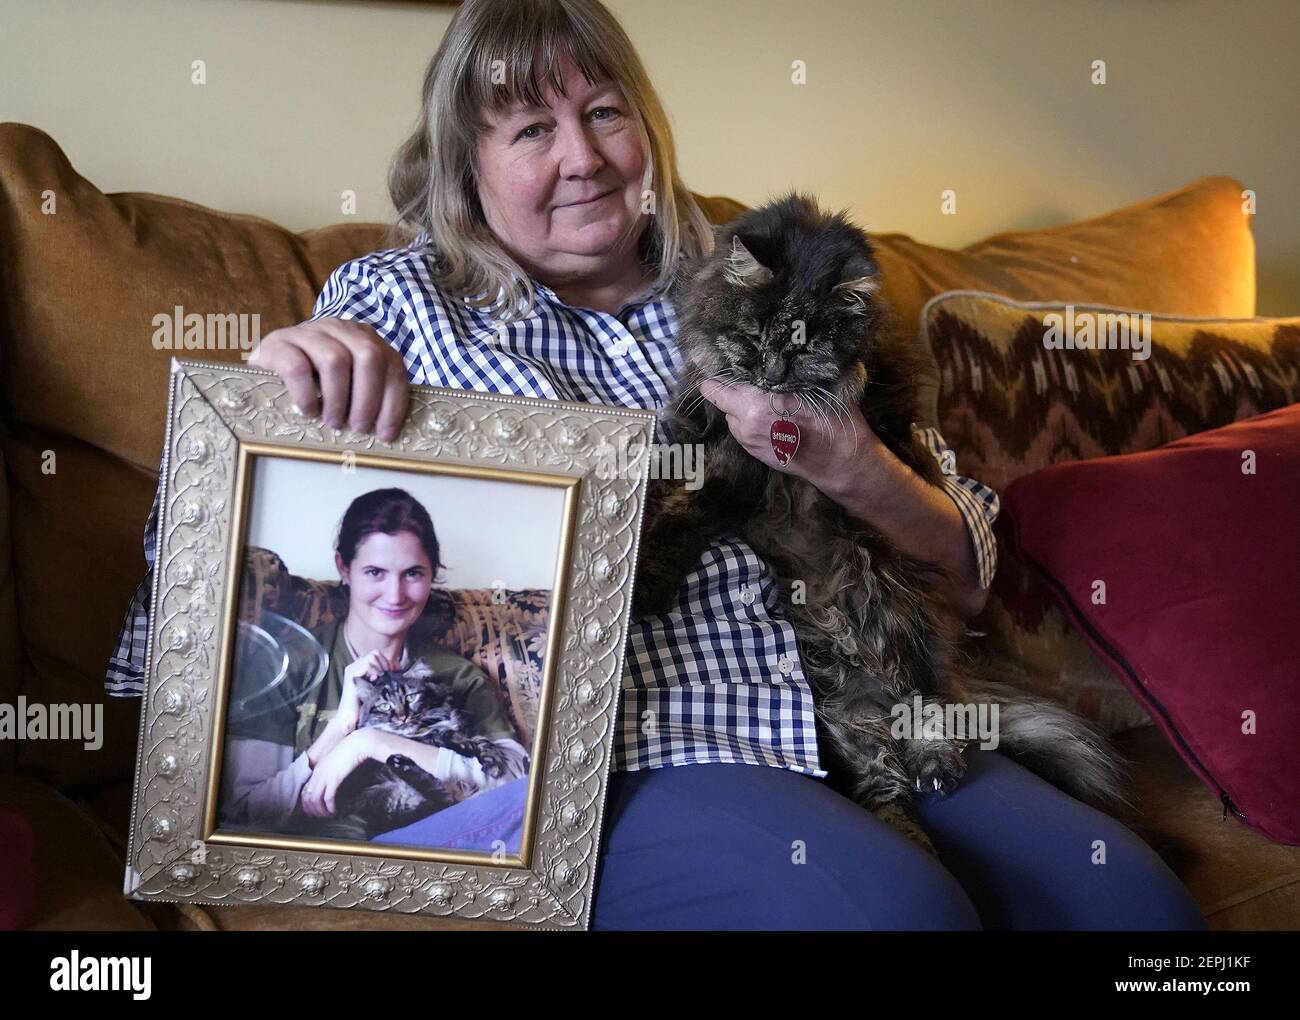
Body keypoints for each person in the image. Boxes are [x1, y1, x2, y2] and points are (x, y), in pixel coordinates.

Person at [107, 0, 1206, 930]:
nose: (581, 156)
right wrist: (273, 379)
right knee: (889, 915)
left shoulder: (767, 278)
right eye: (530, 128)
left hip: (882, 704)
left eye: (601, 113)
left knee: (1141, 914)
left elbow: (971, 570)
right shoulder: (397, 307)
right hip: (641, 745)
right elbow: (233, 555)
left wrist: (852, 462)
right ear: (467, 165)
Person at [218, 487, 530, 848]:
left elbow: (516, 784)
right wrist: (340, 731)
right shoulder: (289, 664)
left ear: (432, 576)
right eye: (375, 572)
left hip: (432, 843)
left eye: (413, 573)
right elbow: (244, 811)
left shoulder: (457, 674)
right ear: (344, 568)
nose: (395, 595)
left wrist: (371, 743)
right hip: (316, 853)